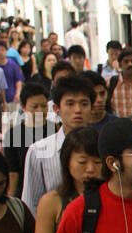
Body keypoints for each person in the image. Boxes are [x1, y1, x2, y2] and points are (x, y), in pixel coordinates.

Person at [21, 74, 95, 213]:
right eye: (70, 104)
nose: (78, 110)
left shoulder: (102, 148)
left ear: (92, 108)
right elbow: (31, 203)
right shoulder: (39, 151)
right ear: (56, 109)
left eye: (84, 104)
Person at [0, 41, 24, 106]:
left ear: (6, 51)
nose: (0, 52)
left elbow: (18, 80)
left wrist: (18, 93)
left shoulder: (13, 65)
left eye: (2, 50)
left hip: (12, 98)